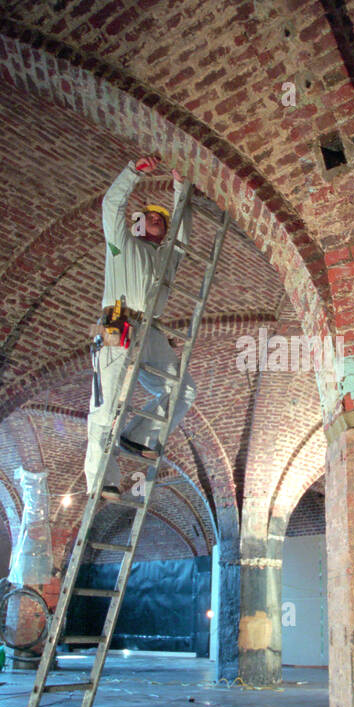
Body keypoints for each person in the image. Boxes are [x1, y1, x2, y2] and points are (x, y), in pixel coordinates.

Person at [84, 155, 197, 501]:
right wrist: (132, 171)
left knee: (183, 391)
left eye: (160, 220)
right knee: (105, 407)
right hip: (117, 324)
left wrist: (181, 187)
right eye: (148, 217)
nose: (155, 221)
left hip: (151, 330)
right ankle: (101, 478)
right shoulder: (121, 246)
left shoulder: (167, 258)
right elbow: (111, 206)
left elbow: (182, 231)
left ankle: (138, 436)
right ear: (138, 225)